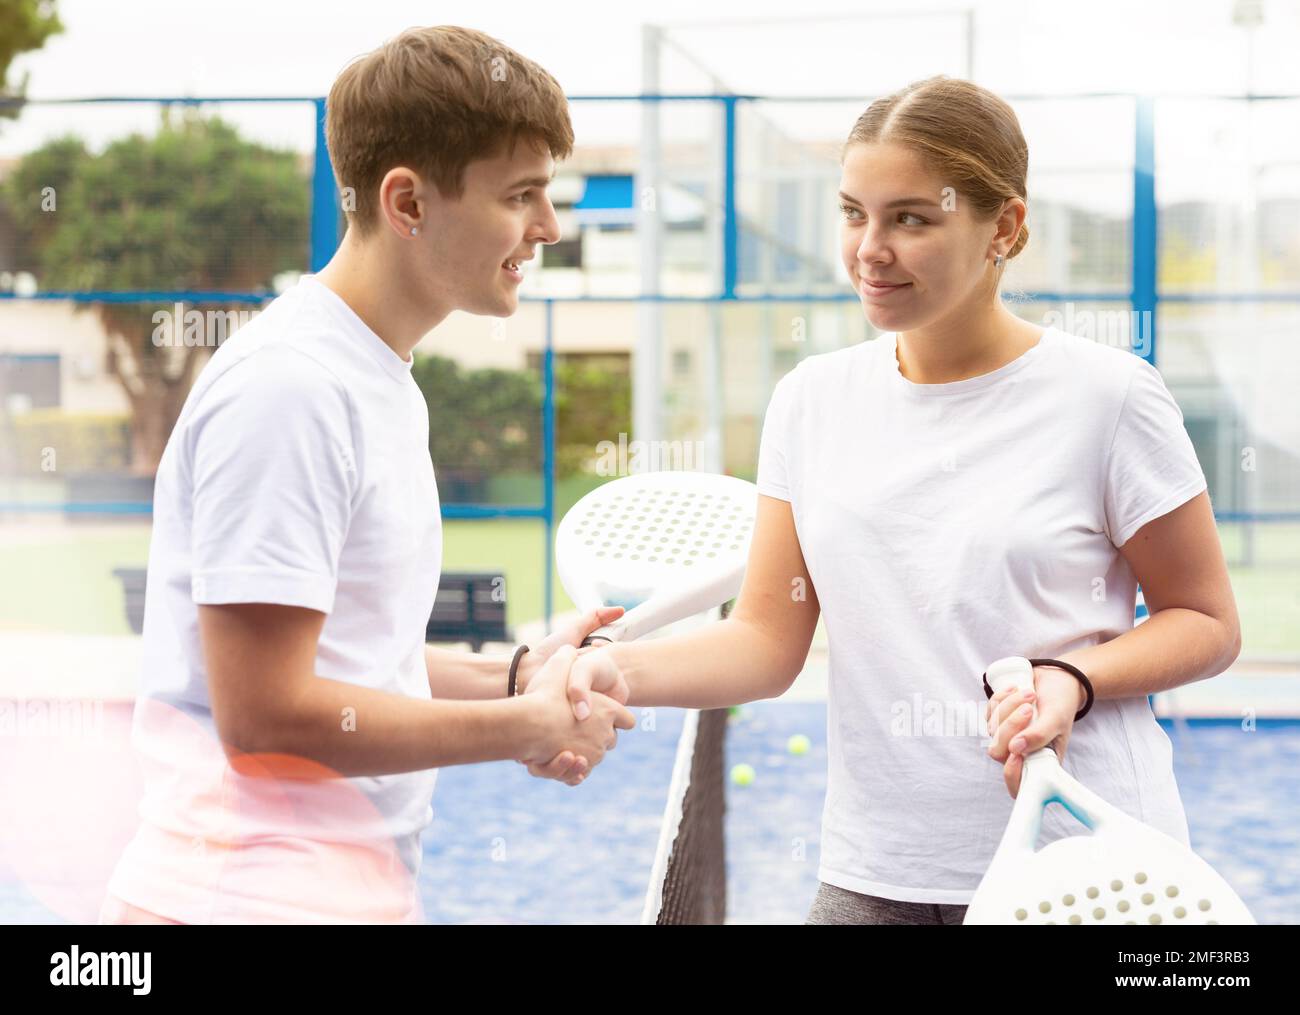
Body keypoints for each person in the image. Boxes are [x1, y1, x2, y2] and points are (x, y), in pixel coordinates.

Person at [565, 76, 1242, 926]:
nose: (870, 250)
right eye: (854, 213)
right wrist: (611, 668)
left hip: (1081, 873)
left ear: (1006, 227)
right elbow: (768, 640)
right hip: (872, 875)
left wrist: (1072, 675)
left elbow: (1207, 622)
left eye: (911, 219)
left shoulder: (1110, 398)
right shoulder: (810, 401)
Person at [100, 25, 633, 926]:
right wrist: (525, 726)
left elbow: (353, 658)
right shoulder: (291, 388)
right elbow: (267, 715)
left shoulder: (373, 375)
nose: (548, 228)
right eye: (523, 196)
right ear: (408, 202)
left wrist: (514, 674)